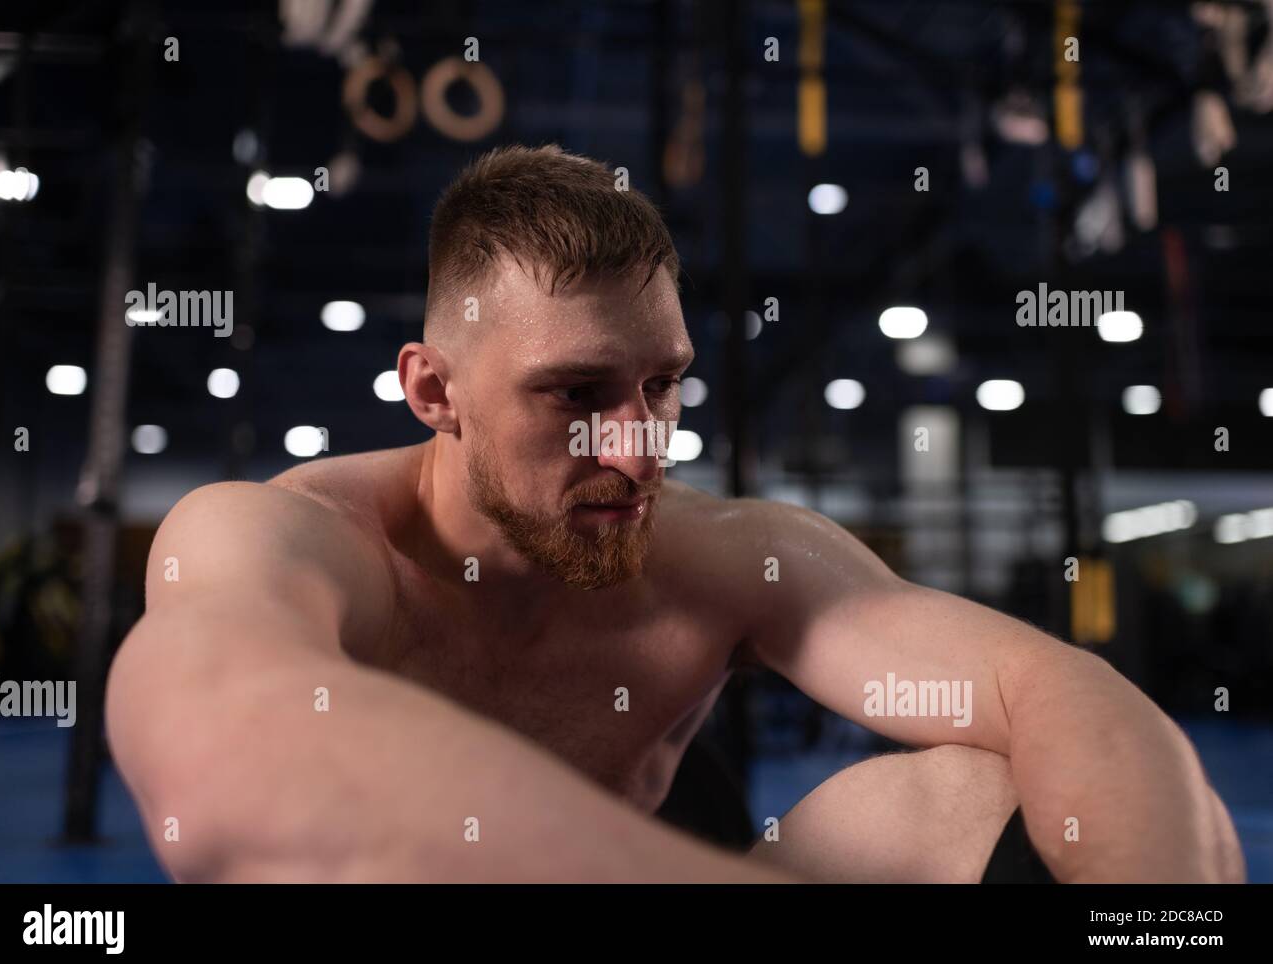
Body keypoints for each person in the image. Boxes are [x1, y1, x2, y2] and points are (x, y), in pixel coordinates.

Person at [105, 145, 1245, 883]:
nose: (639, 444)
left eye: (661, 384)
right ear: (434, 391)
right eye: (576, 393)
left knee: (1014, 799)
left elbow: (1044, 689)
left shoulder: (732, 558)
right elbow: (223, 751)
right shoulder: (284, 537)